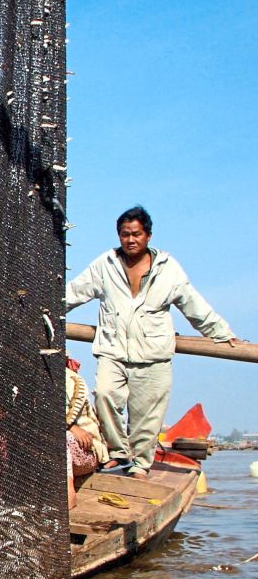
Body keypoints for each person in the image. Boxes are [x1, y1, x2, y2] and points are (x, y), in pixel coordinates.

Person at [66, 205, 241, 479]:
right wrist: (44, 310)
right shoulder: (106, 264)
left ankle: (140, 466)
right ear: (119, 236)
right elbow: (74, 293)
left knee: (147, 417)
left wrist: (220, 332)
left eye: (136, 234)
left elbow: (193, 304)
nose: (130, 240)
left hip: (153, 355)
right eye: (125, 235)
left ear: (148, 236)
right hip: (113, 350)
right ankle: (119, 453)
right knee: (104, 395)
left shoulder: (167, 269)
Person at [65, 358, 108, 510]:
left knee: (62, 439)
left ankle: (69, 493)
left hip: (85, 452)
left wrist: (69, 426)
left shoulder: (71, 382)